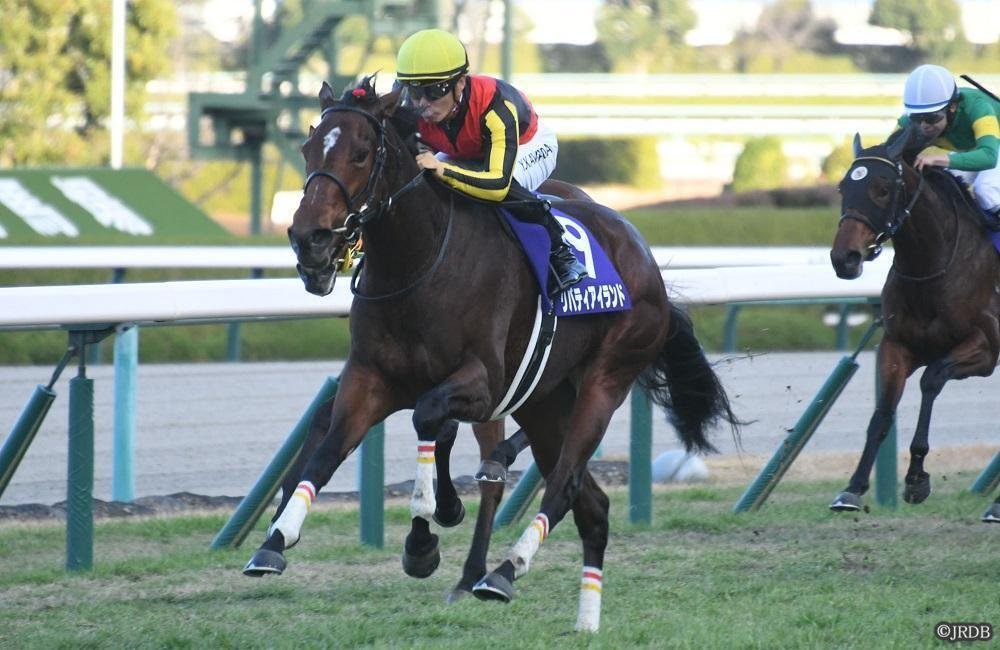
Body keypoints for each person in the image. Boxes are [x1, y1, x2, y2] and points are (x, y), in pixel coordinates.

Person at [394, 28, 587, 297]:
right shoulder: (407, 102)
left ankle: (561, 254)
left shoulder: (497, 105)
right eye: (414, 91)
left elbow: (497, 184)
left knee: (503, 189)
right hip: (466, 149)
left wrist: (443, 168)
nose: (422, 103)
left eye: (433, 90)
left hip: (527, 143)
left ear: (460, 83)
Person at [898, 64, 1000, 228]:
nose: (924, 126)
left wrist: (939, 158)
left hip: (993, 148)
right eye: (917, 118)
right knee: (938, 186)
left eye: (931, 118)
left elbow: (989, 156)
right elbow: (889, 155)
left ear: (952, 107)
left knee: (986, 191)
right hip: (975, 149)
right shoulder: (909, 123)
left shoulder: (978, 108)